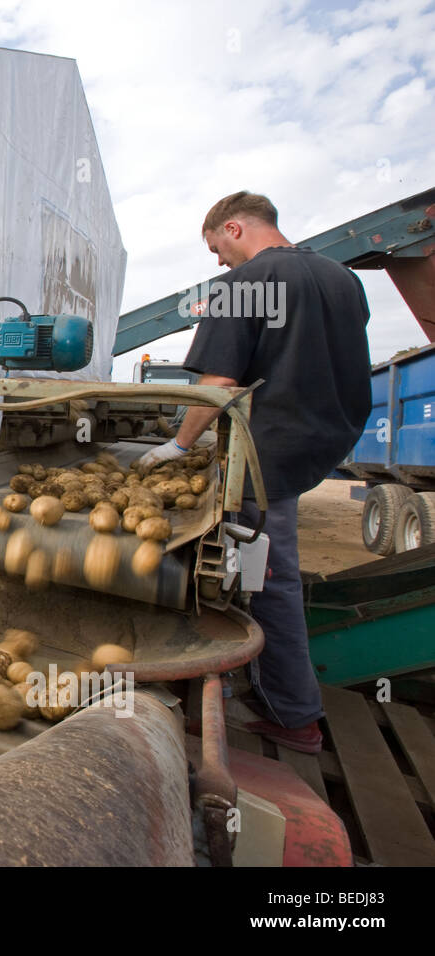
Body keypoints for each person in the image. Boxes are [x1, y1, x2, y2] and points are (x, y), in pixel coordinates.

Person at [134, 191, 371, 754]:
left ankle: (296, 717)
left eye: (217, 248)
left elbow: (218, 385)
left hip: (270, 455)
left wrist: (177, 444)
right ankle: (252, 681)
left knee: (269, 580)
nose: (218, 262)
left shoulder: (242, 287)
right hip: (324, 441)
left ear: (234, 229)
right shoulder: (343, 280)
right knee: (259, 565)